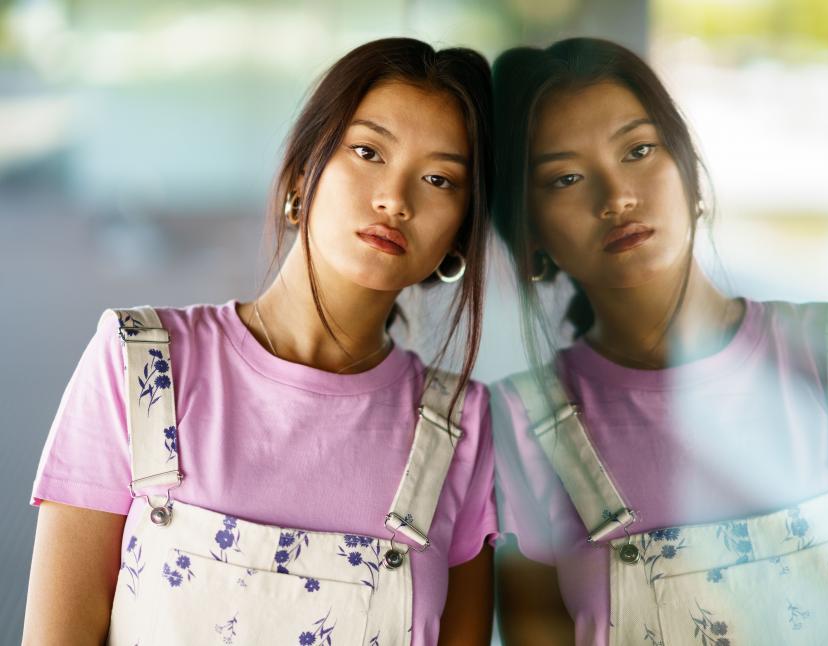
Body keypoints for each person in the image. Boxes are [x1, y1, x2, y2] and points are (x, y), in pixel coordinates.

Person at [490, 37, 828, 646]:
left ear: (690, 172)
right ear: (529, 235)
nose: (617, 198)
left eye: (639, 150)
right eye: (565, 178)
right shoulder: (522, 426)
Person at [24, 37, 496, 646]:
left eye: (438, 178)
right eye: (368, 151)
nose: (394, 199)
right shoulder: (141, 364)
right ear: (303, 174)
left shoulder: (461, 427)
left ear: (460, 234)